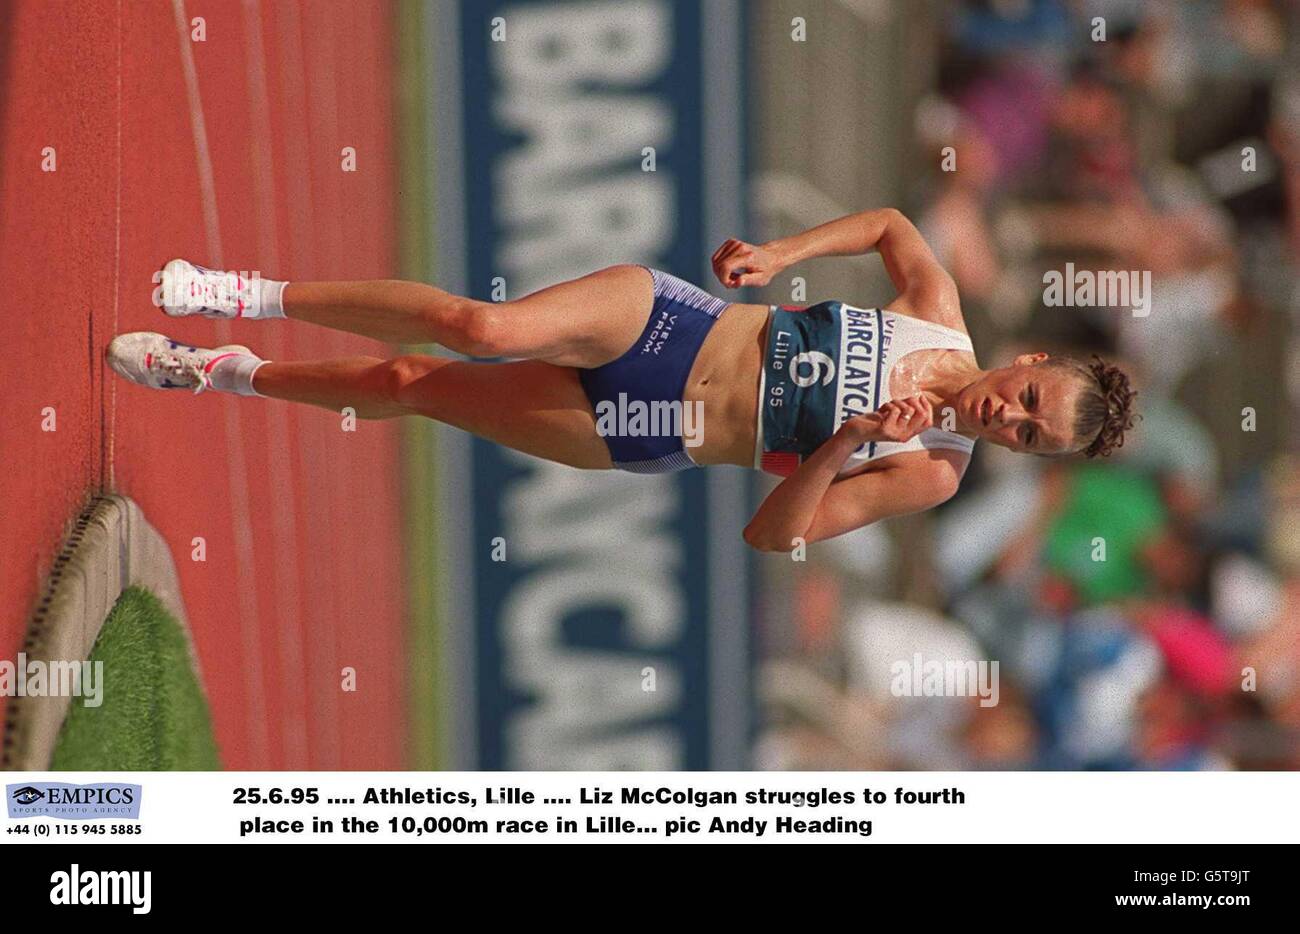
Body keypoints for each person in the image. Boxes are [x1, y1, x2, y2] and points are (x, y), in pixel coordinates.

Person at [108, 208, 1136, 551]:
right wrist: (781, 254)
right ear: (1030, 362)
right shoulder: (937, 306)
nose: (1008, 419)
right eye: (1029, 403)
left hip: (650, 426)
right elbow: (891, 228)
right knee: (481, 324)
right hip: (672, 321)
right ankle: (251, 292)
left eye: (1027, 439)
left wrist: (844, 438)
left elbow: (773, 535)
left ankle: (223, 374)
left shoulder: (932, 472)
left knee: (414, 378)